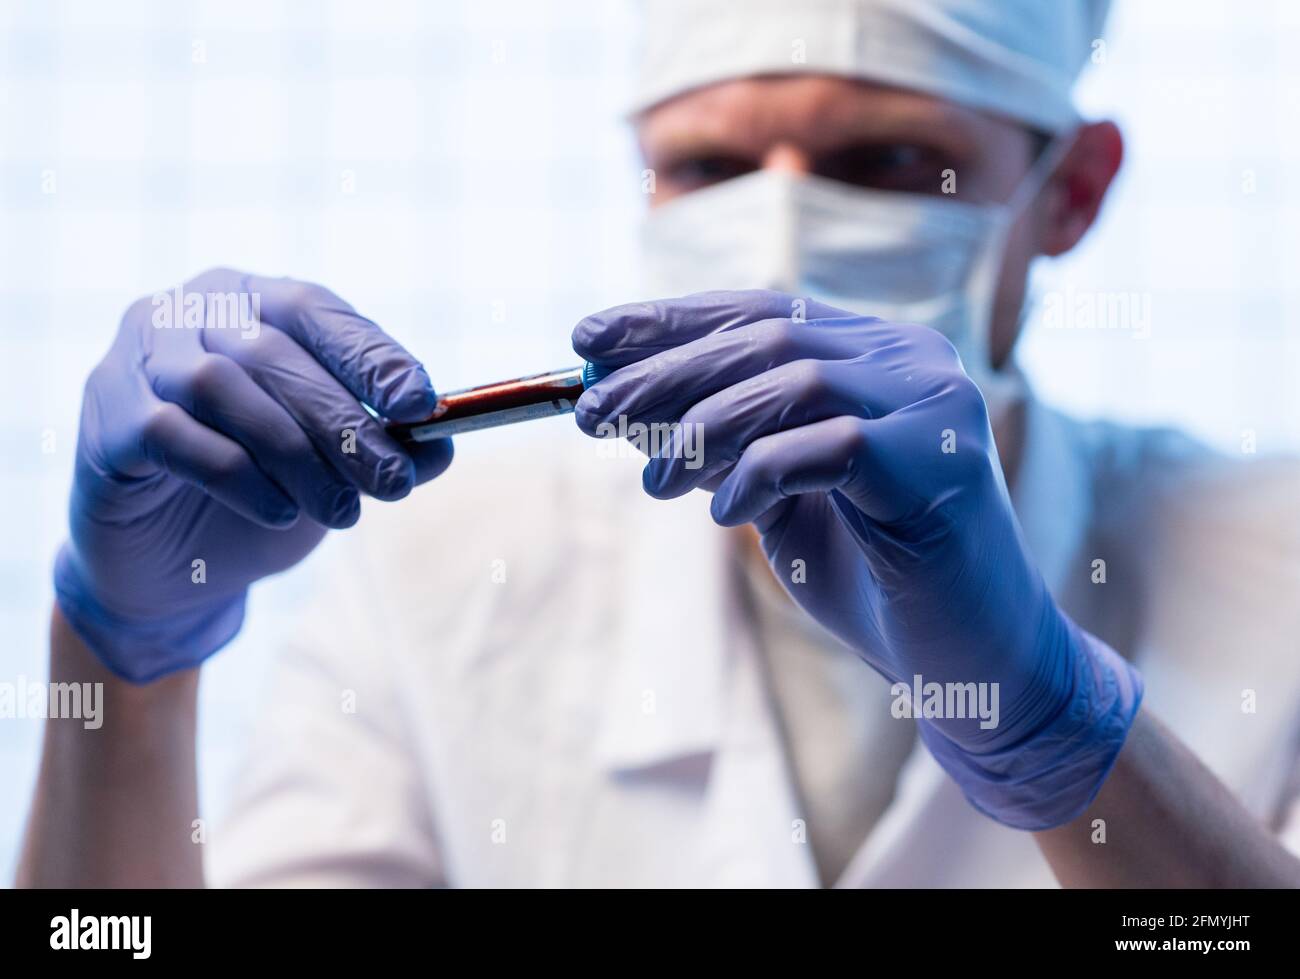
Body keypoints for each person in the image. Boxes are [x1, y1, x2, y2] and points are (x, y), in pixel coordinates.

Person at [17, 0, 1300, 888]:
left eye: (890, 161)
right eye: (707, 165)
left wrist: (1056, 729)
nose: (779, 229)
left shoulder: (1277, 565)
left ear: (1069, 192)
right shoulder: (443, 574)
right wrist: (123, 668)